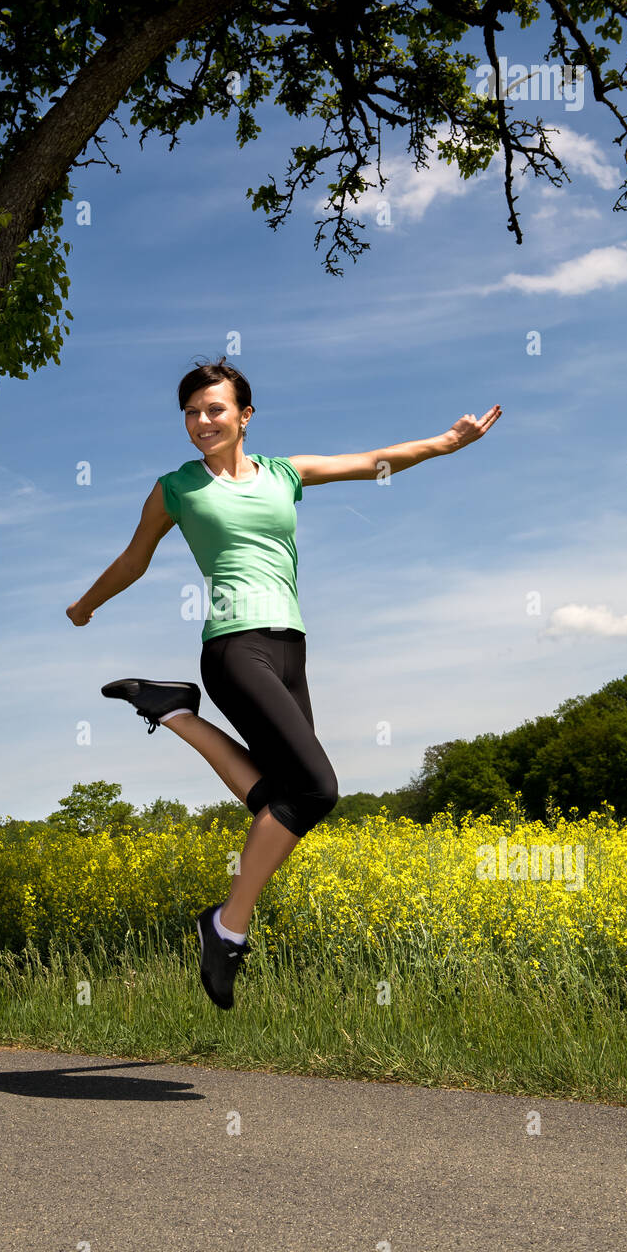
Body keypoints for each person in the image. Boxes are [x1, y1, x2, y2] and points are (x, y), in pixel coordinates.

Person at [67, 357, 501, 1009]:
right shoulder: (176, 488)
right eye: (191, 412)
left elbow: (374, 460)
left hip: (291, 645)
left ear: (244, 416)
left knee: (283, 800)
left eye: (214, 409)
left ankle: (175, 711)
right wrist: (87, 603)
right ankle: (227, 926)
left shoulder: (284, 474)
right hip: (234, 648)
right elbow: (135, 557)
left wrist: (446, 443)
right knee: (320, 789)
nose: (201, 421)